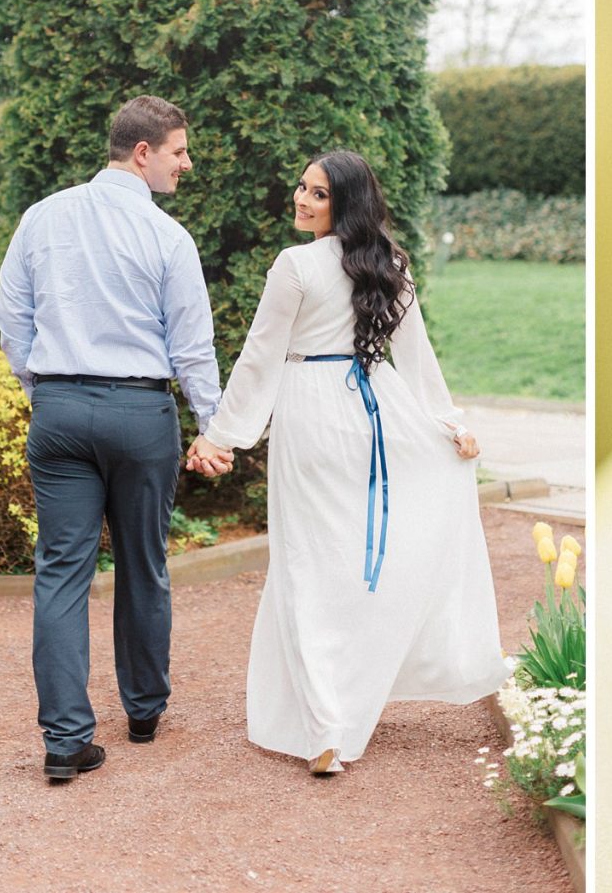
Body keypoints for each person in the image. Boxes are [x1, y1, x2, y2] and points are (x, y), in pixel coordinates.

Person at [188, 150, 508, 774]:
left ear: (346, 203)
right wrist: (446, 422)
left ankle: (328, 726)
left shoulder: (295, 265)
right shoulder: (391, 264)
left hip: (311, 414)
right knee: (358, 558)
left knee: (309, 562)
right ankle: (338, 711)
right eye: (301, 187)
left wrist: (222, 435)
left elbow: (261, 356)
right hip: (375, 412)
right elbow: (416, 362)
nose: (302, 200)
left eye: (318, 194)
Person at [0, 95, 233, 781]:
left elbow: (12, 318)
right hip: (139, 414)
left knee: (60, 571)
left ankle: (66, 739)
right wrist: (213, 426)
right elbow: (192, 347)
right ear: (143, 153)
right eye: (179, 151)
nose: (186, 163)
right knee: (143, 561)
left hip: (60, 409)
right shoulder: (167, 238)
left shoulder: (42, 217)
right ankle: (144, 708)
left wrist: (43, 390)